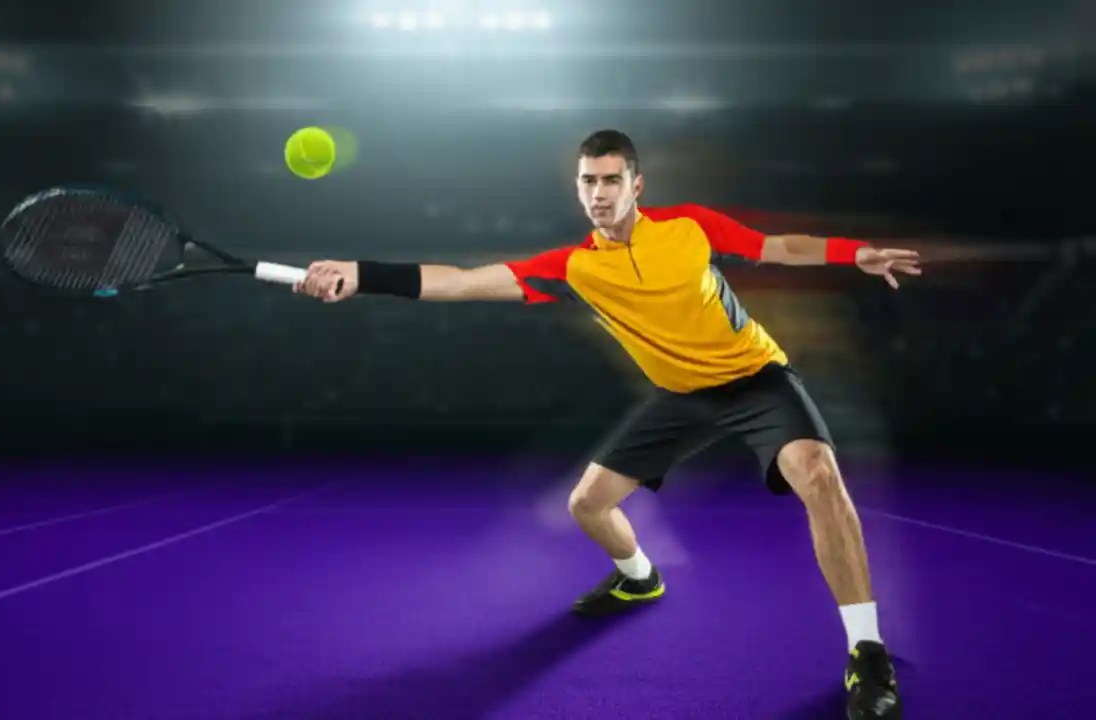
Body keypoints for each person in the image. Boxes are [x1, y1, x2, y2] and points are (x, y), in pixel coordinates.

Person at [293, 129, 918, 719]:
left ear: (636, 185)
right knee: (587, 505)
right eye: (588, 181)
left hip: (756, 378)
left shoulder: (689, 227)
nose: (598, 192)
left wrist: (854, 254)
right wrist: (362, 274)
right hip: (682, 397)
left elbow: (777, 247)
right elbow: (459, 282)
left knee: (819, 473)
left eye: (611, 179)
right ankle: (640, 579)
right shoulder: (574, 268)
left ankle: (867, 651)